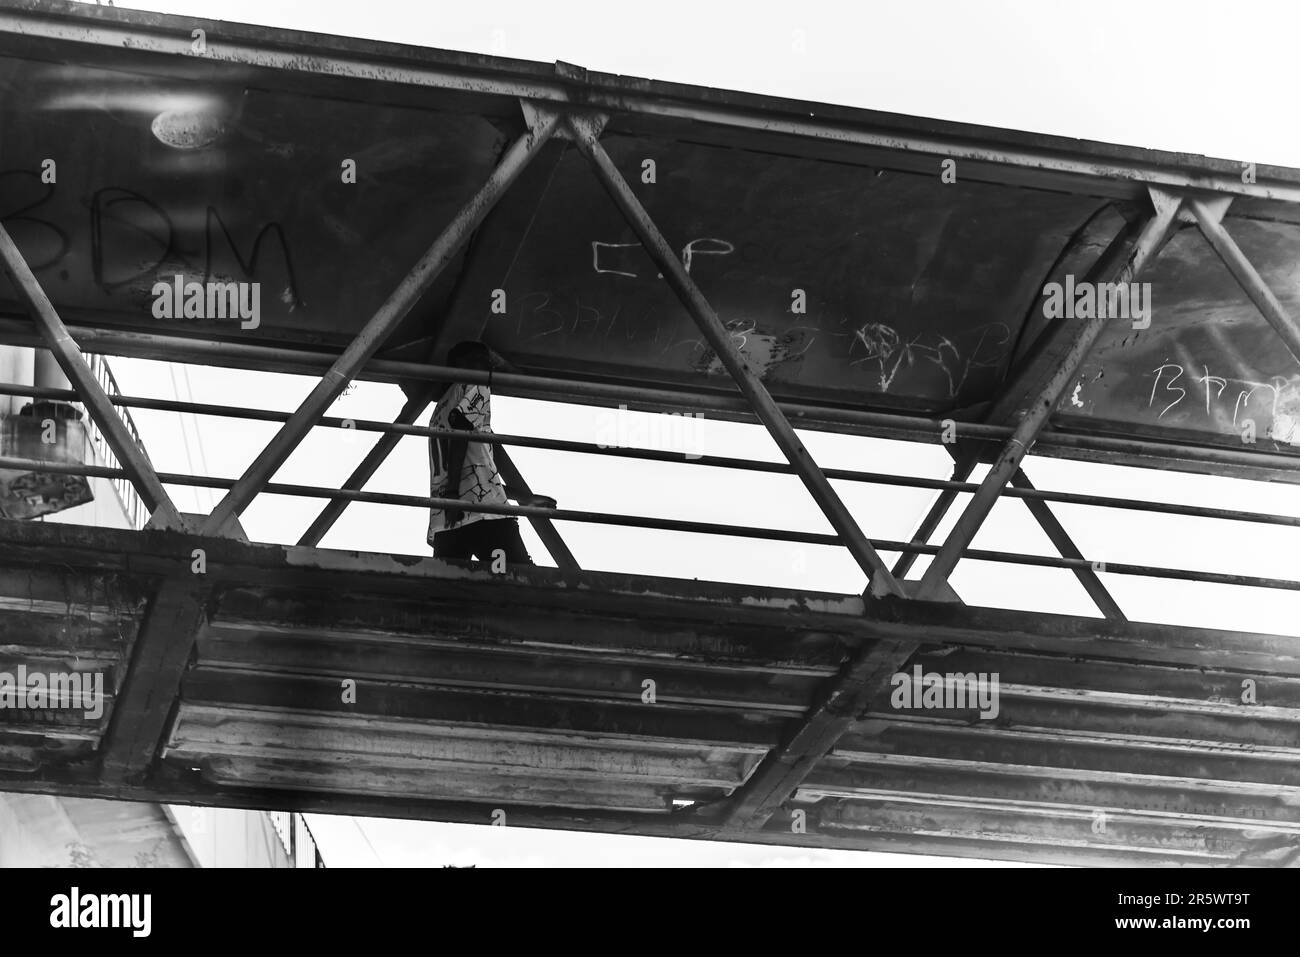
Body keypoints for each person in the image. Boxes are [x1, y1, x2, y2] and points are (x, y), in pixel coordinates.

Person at [427, 340, 555, 564]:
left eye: (487, 363)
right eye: (477, 361)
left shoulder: (439, 410)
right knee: (519, 581)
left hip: (446, 519)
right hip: (483, 514)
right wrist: (453, 495)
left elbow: (476, 473)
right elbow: (461, 429)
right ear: (458, 365)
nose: (485, 368)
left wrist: (525, 498)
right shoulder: (476, 386)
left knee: (447, 591)